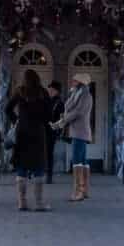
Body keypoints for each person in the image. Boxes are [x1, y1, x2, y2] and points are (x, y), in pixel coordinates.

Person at [5, 69, 51, 212]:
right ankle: (38, 203)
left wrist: (16, 120)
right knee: (38, 167)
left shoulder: (20, 91)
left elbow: (7, 109)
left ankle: (22, 202)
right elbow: (49, 114)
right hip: (38, 132)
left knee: (22, 166)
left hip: (22, 132)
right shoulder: (43, 92)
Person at [51, 73, 93, 202]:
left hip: (80, 131)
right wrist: (60, 122)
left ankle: (78, 191)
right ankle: (84, 190)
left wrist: (62, 122)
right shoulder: (76, 94)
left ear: (80, 82)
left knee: (77, 160)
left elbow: (78, 112)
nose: (72, 82)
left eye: (75, 80)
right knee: (82, 160)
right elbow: (69, 111)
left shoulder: (85, 95)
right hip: (76, 130)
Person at [44, 80, 65, 184]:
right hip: (43, 130)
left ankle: (49, 175)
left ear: (57, 91)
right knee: (43, 152)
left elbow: (62, 120)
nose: (50, 91)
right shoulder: (47, 100)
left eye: (52, 89)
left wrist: (58, 132)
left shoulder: (59, 103)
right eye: (49, 89)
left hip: (51, 131)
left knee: (49, 153)